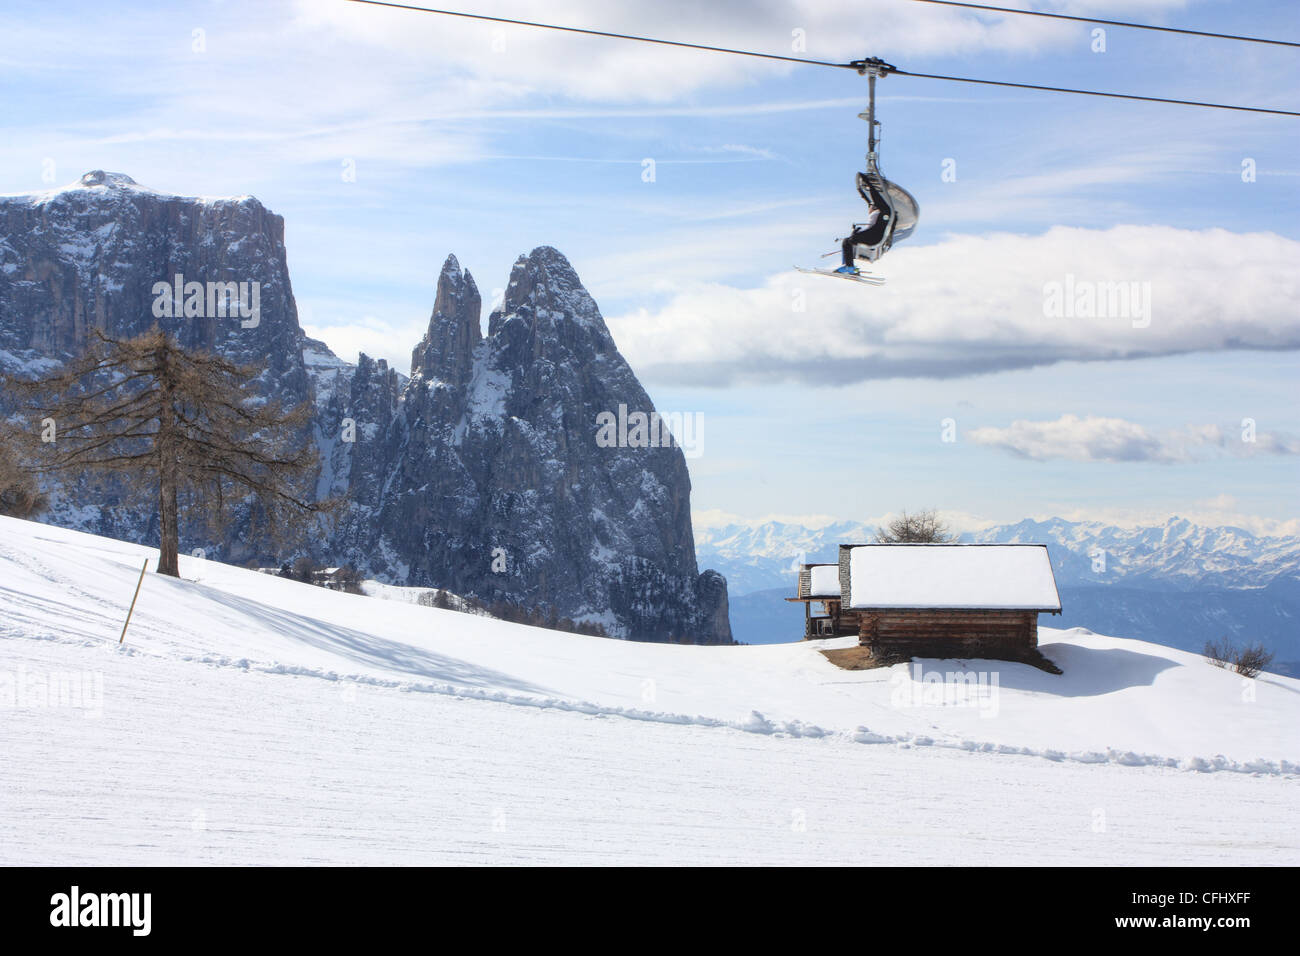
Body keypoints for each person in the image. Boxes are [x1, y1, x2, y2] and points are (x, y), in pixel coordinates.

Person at [836, 202, 880, 275]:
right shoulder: (880, 215)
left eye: (869, 206)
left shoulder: (874, 214)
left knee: (846, 242)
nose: (868, 209)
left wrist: (856, 231)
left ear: (873, 207)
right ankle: (850, 267)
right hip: (875, 240)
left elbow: (869, 228)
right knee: (849, 242)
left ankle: (849, 267)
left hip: (870, 240)